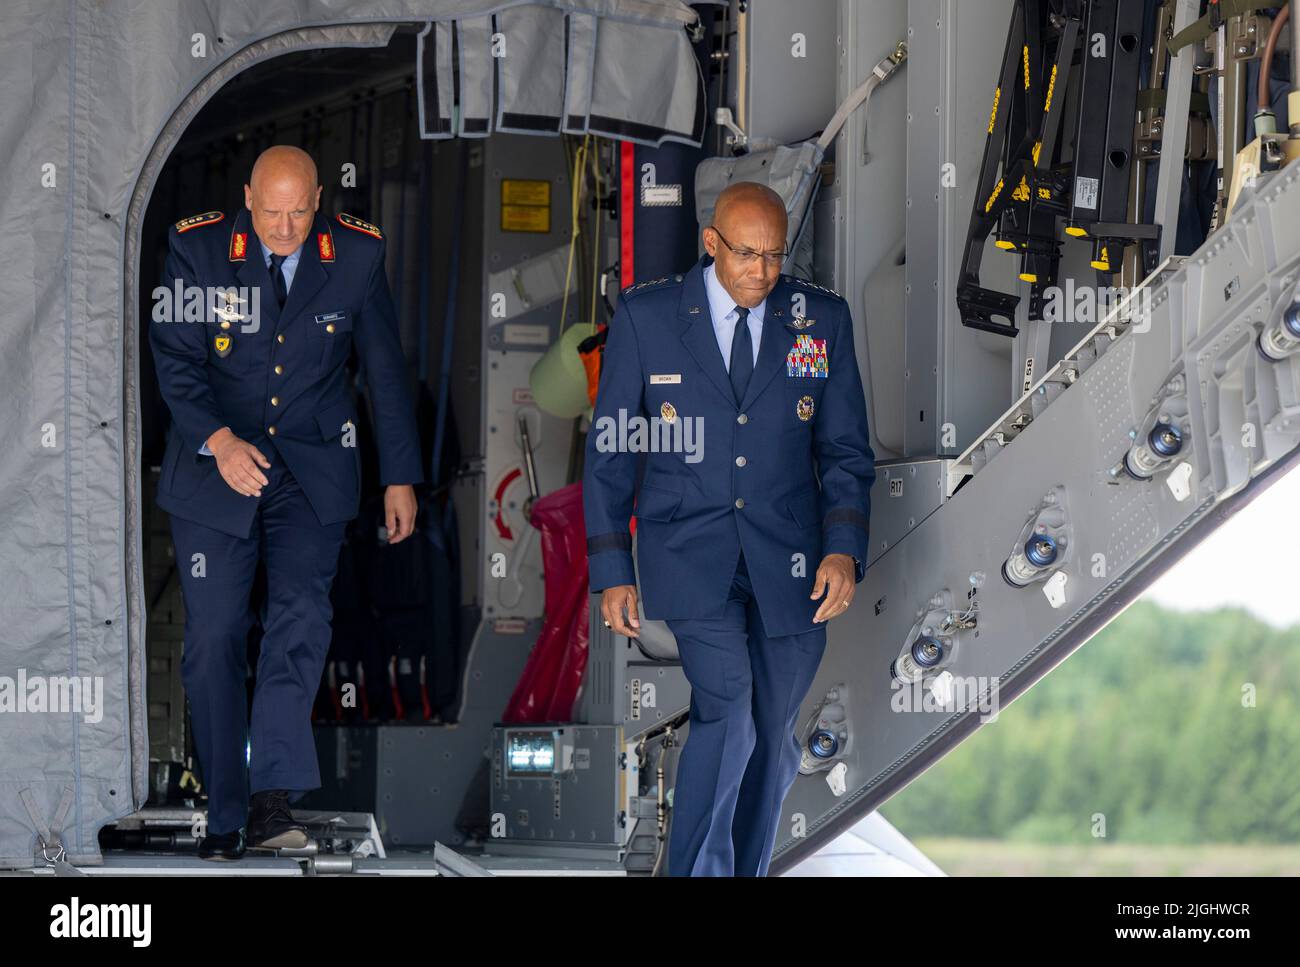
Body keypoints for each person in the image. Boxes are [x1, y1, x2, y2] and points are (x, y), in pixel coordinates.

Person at [583, 181, 876, 876]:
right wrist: (611, 568)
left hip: (792, 564)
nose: (762, 272)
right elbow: (611, 452)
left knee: (772, 734)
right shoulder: (647, 316)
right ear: (711, 244)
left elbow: (844, 451)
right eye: (746, 253)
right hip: (689, 554)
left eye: (774, 256)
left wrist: (843, 549)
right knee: (730, 709)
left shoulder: (820, 321)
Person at [149, 145, 423, 860]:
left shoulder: (355, 255)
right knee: (213, 639)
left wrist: (400, 475)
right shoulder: (197, 250)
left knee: (300, 618)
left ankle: (271, 803)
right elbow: (173, 359)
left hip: (311, 470)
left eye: (299, 210)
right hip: (215, 466)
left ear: (319, 198)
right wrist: (218, 440)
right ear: (247, 198)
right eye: (270, 210)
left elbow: (384, 370)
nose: (284, 226)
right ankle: (225, 808)